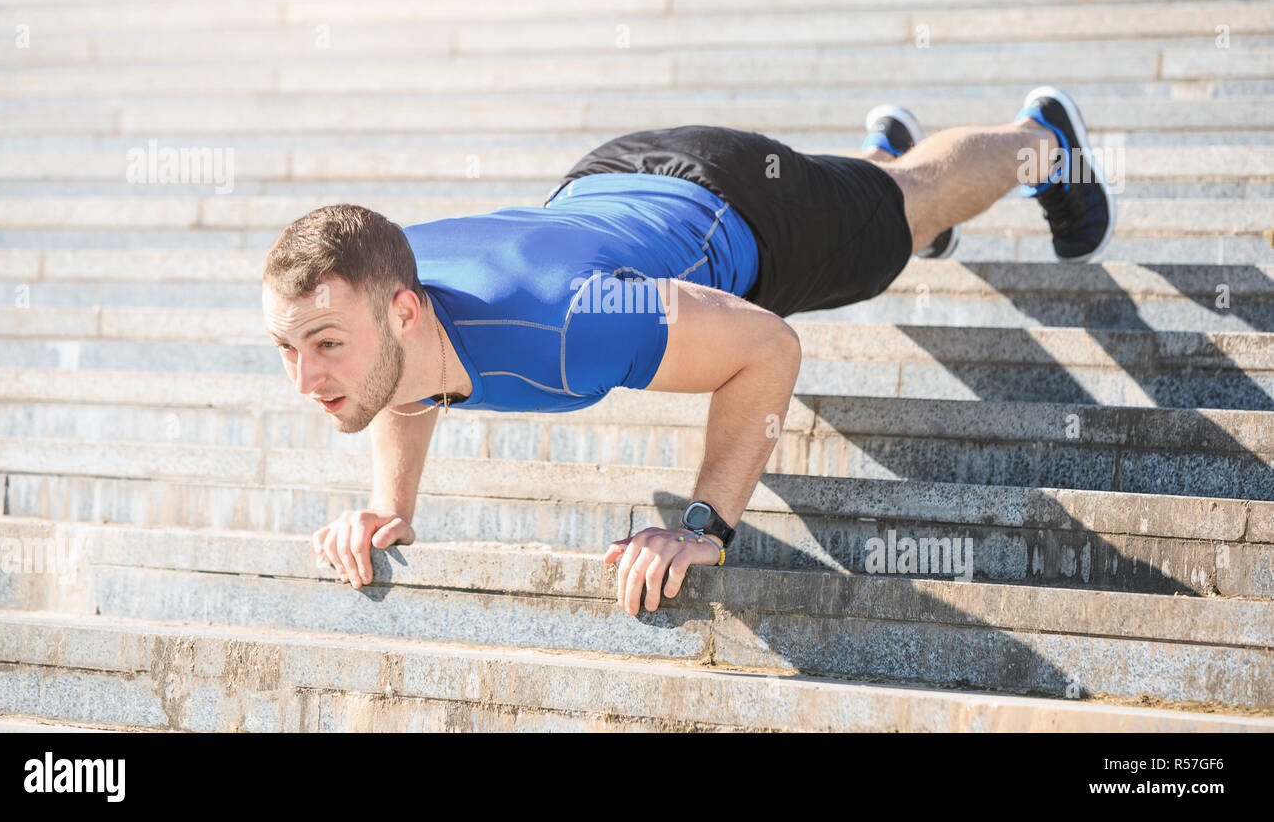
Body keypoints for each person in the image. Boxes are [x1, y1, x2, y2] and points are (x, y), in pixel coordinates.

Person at [261, 86, 1115, 616]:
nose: (304, 378)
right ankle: (870, 165)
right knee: (873, 200)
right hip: (610, 189)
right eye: (287, 347)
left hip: (731, 201)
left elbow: (769, 350)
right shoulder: (396, 294)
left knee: (908, 210)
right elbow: (402, 381)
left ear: (402, 308)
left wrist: (703, 527)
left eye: (325, 344)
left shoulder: (577, 323)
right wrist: (389, 504)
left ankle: (1039, 137)